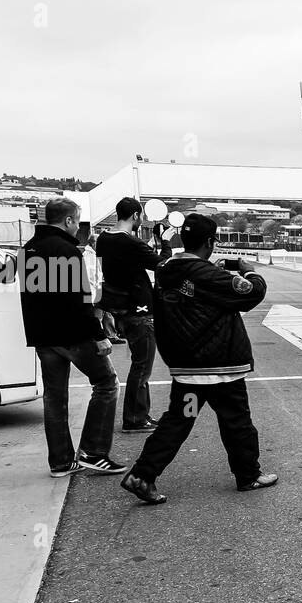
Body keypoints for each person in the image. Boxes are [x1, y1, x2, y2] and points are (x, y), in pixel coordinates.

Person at [120, 214, 276, 505]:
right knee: (236, 422)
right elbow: (251, 293)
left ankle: (142, 474)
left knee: (180, 420)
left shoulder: (166, 269)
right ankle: (248, 475)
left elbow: (195, 289)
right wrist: (251, 273)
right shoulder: (207, 275)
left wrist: (212, 271)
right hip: (220, 368)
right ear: (210, 242)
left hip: (187, 370)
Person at [20, 198, 126, 478]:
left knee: (54, 398)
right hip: (72, 334)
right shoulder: (66, 250)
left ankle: (61, 462)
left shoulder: (27, 250)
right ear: (68, 220)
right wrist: (99, 335)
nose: (78, 227)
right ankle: (94, 451)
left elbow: (28, 296)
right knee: (106, 384)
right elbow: (78, 300)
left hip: (42, 336)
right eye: (77, 221)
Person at [97, 198, 172, 432]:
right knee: (142, 366)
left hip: (120, 308)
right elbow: (163, 265)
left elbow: (128, 261)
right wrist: (165, 242)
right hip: (139, 309)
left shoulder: (104, 239)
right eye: (141, 216)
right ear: (136, 216)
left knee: (139, 363)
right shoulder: (130, 242)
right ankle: (135, 418)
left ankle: (139, 414)